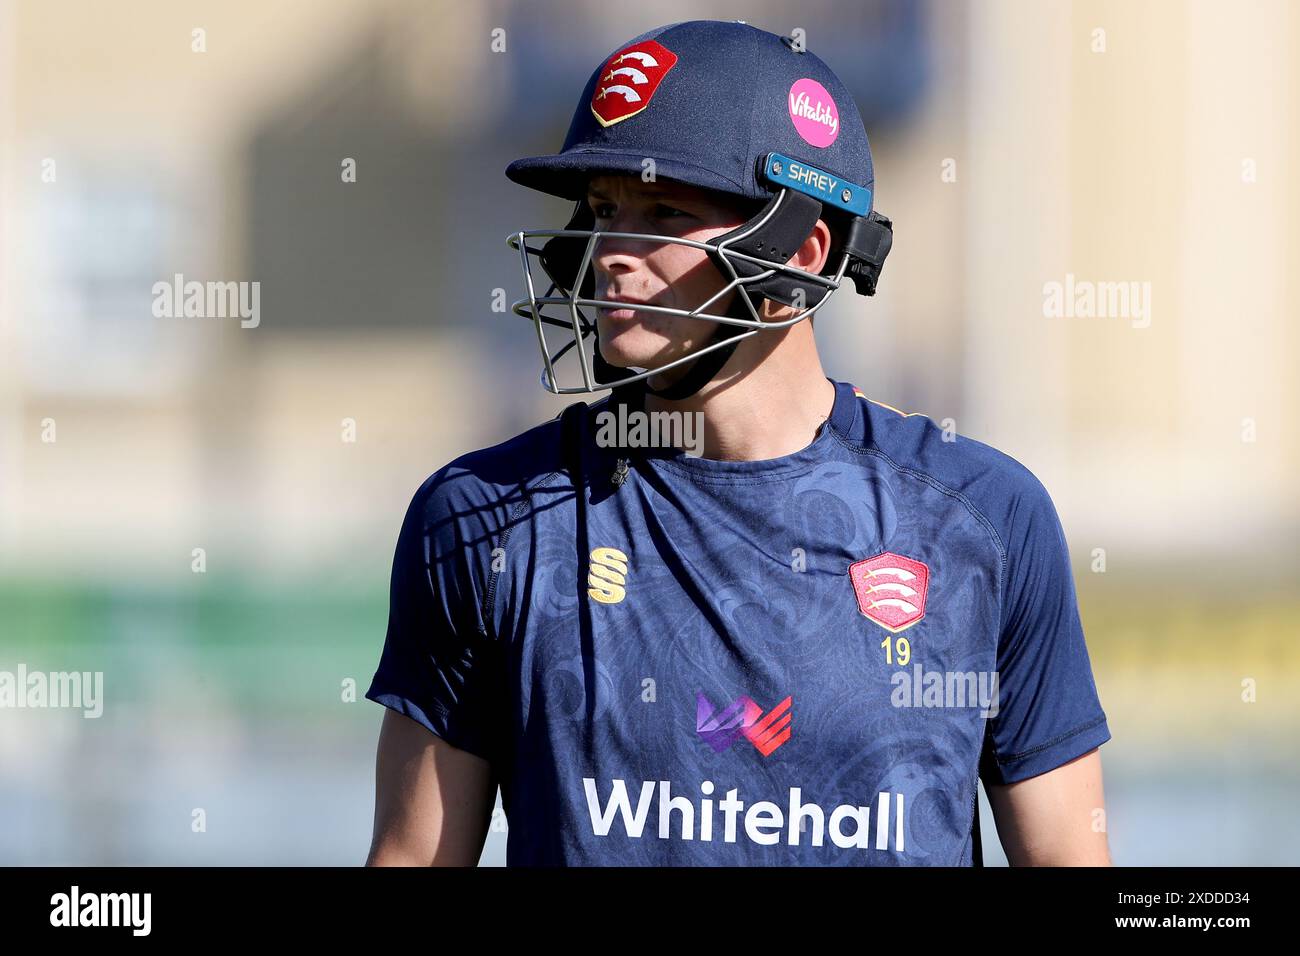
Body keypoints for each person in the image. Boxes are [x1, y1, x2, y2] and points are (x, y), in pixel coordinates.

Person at [365, 19, 1111, 866]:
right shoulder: (487, 521)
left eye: (665, 212)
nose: (612, 253)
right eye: (605, 210)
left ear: (799, 254)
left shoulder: (985, 522)